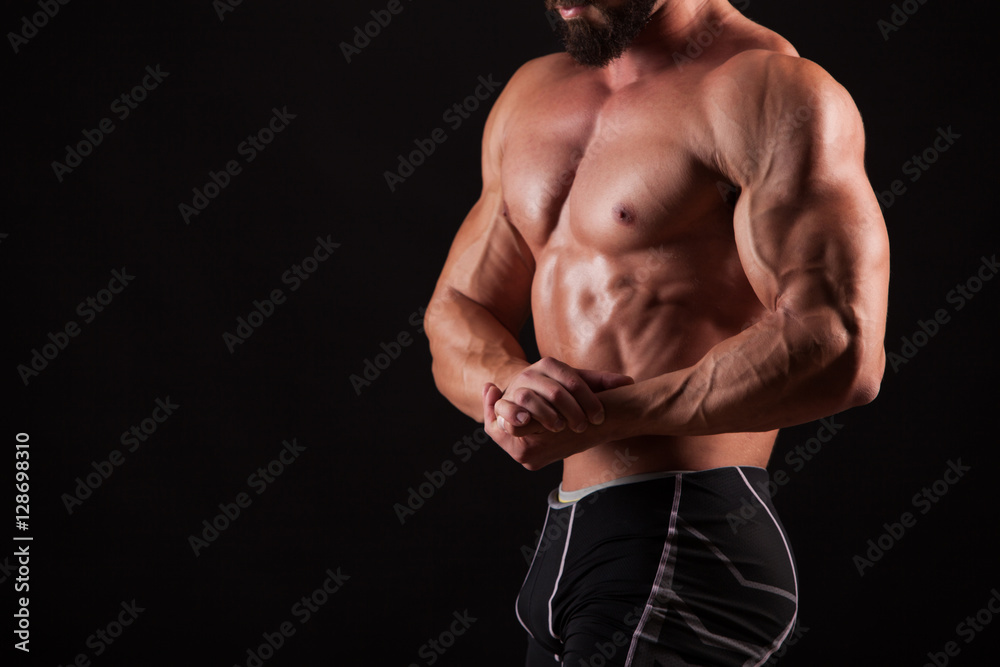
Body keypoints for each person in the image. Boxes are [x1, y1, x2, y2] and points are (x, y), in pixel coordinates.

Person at [425, 0, 890, 664]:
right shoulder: (533, 94)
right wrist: (512, 389)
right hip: (568, 541)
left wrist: (604, 416)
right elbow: (456, 308)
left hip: (688, 536)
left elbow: (841, 346)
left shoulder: (765, 90)